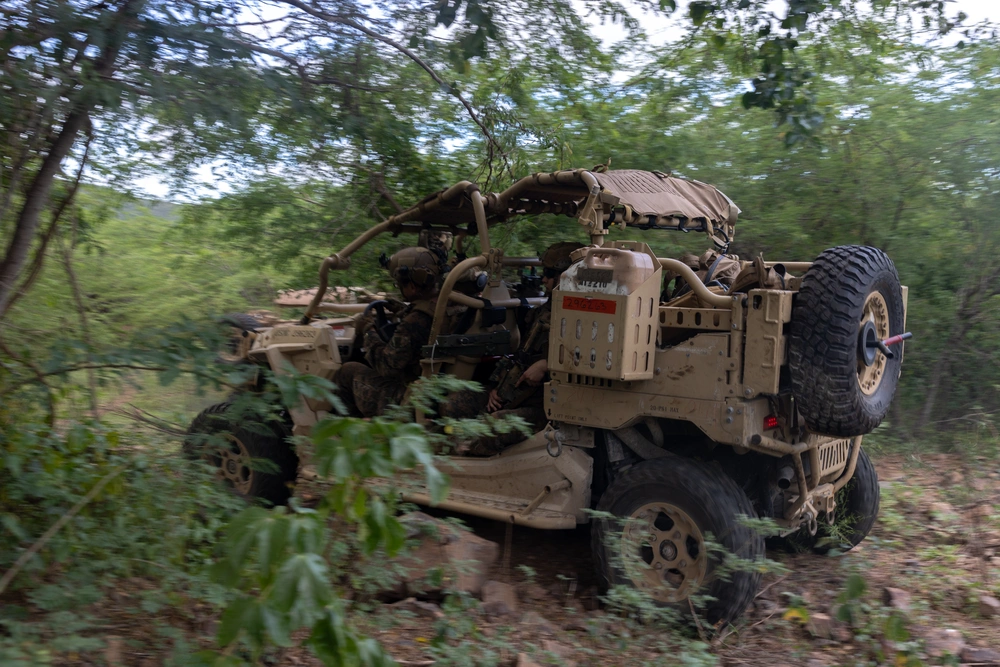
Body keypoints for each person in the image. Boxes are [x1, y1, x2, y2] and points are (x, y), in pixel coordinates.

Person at [457, 241, 584, 456]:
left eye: (549, 273)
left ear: (566, 275)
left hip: (549, 406)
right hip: (517, 391)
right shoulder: (545, 311)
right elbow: (521, 354)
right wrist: (496, 387)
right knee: (456, 403)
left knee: (493, 427)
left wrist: (547, 365)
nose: (543, 279)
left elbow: (586, 358)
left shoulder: (584, 314)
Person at [334, 247, 443, 417]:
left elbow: (387, 366)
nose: (399, 289)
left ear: (412, 286)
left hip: (409, 396)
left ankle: (353, 434)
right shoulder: (448, 303)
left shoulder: (414, 322)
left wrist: (368, 330)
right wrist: (401, 309)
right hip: (438, 384)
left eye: (400, 285)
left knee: (346, 372)